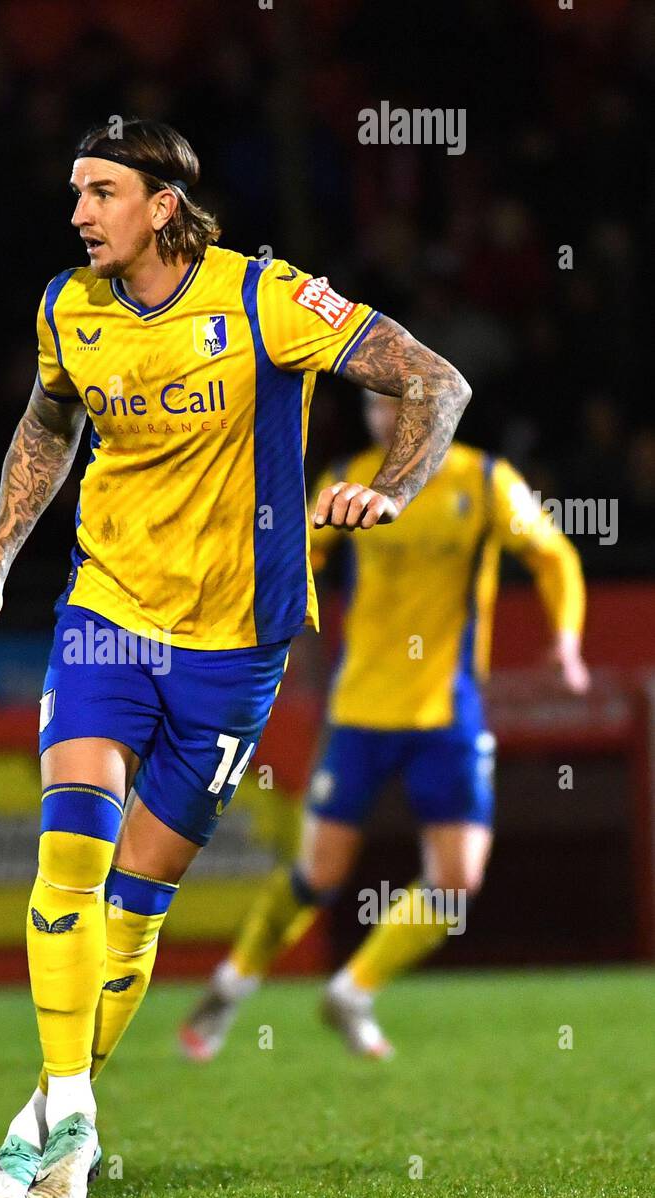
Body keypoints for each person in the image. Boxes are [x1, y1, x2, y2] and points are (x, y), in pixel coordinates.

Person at [0, 119, 471, 1198]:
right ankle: (74, 1111)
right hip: (105, 617)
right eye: (74, 191)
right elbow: (46, 429)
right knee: (68, 852)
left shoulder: (261, 299)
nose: (78, 212)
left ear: (162, 206)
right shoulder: (65, 310)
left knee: (135, 906)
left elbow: (436, 382)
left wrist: (392, 489)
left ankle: (49, 1104)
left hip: (234, 647)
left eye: (100, 192)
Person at [180, 390, 587, 1063]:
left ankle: (354, 991)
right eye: (375, 406)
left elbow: (554, 557)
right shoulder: (347, 481)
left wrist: (566, 640)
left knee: (456, 883)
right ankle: (232, 984)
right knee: (318, 876)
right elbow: (292, 558)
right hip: (362, 709)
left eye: (397, 406)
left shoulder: (483, 481)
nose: (384, 418)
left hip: (446, 712)